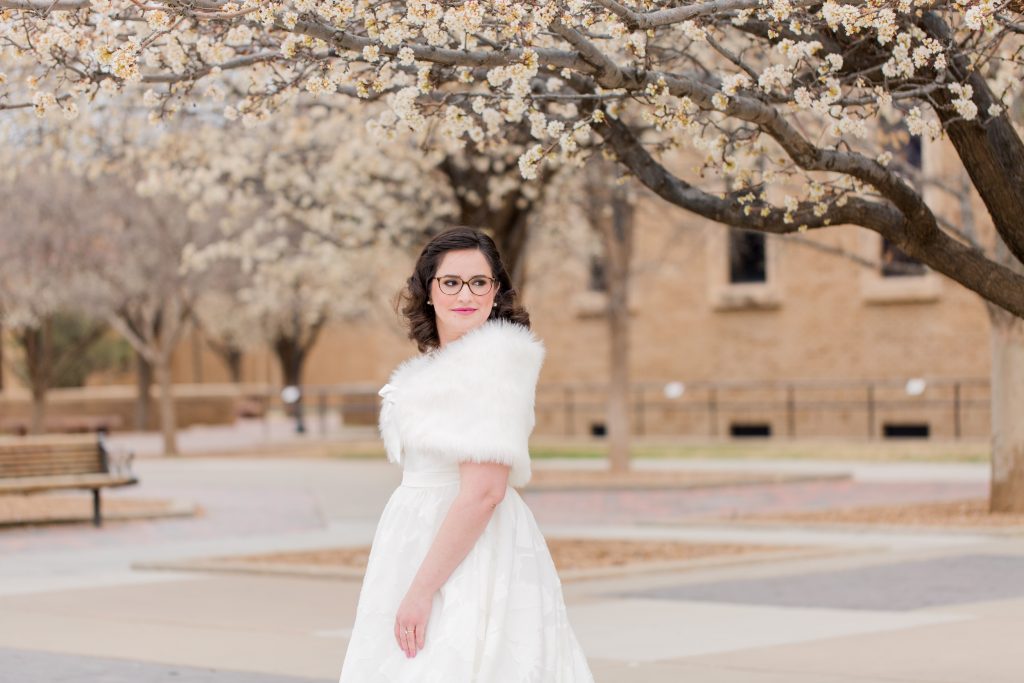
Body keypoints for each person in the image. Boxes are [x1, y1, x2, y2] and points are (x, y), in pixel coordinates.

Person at [338, 227, 594, 682]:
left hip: (469, 555)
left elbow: (484, 492)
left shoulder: (492, 363)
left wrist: (421, 590)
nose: (466, 294)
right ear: (429, 292)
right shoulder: (443, 366)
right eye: (450, 282)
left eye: (480, 282)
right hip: (423, 543)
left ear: (496, 293)